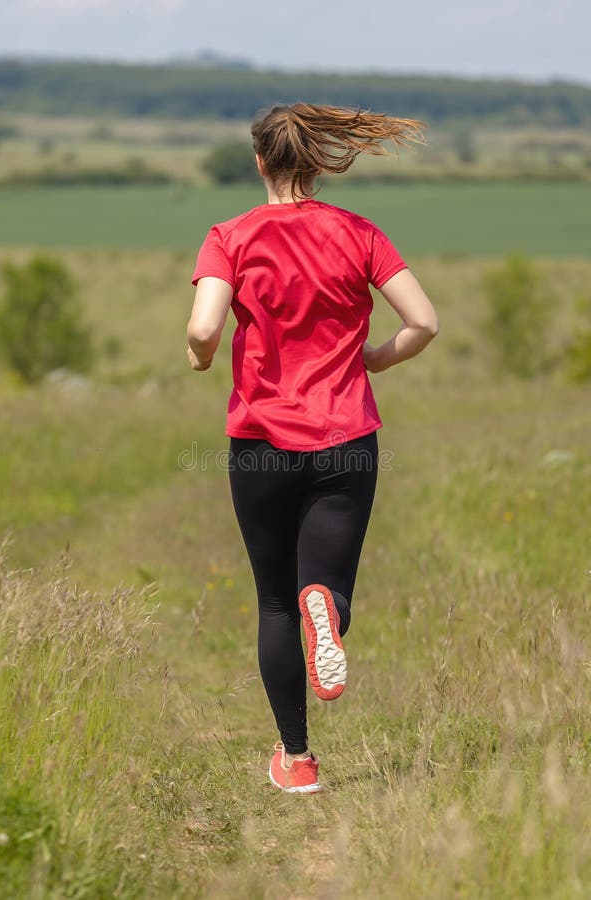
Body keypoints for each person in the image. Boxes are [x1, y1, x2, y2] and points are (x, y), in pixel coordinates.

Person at [187, 103, 439, 794]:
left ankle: (297, 761)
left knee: (273, 603)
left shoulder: (229, 236)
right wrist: (377, 361)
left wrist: (199, 353)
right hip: (347, 440)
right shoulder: (358, 233)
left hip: (261, 443)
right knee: (321, 588)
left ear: (262, 161)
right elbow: (424, 321)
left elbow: (206, 326)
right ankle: (324, 606)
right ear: (314, 160)